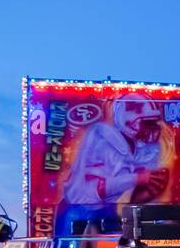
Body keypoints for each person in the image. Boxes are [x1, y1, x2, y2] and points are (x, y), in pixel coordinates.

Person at [55, 95, 170, 237]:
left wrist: (142, 196)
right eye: (146, 123)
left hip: (105, 211)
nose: (151, 128)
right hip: (78, 213)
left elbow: (121, 195)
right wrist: (138, 178)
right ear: (127, 120)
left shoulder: (136, 148)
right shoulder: (102, 139)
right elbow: (96, 189)